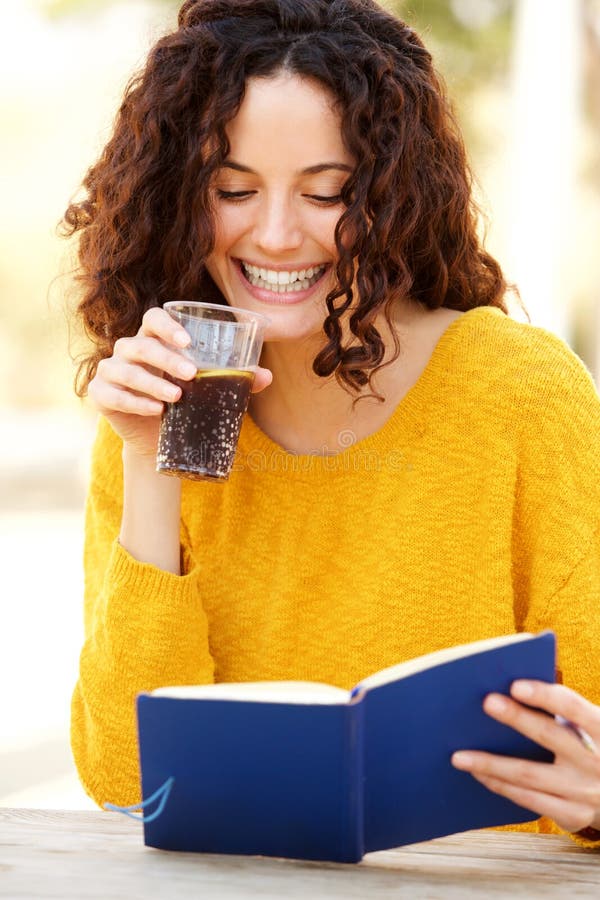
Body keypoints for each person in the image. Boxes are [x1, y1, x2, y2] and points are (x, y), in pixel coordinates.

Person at [64, 0, 600, 845]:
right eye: (232, 189)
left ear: (397, 199)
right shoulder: (152, 406)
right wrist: (149, 466)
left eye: (329, 193)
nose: (276, 235)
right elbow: (131, 783)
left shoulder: (524, 394)